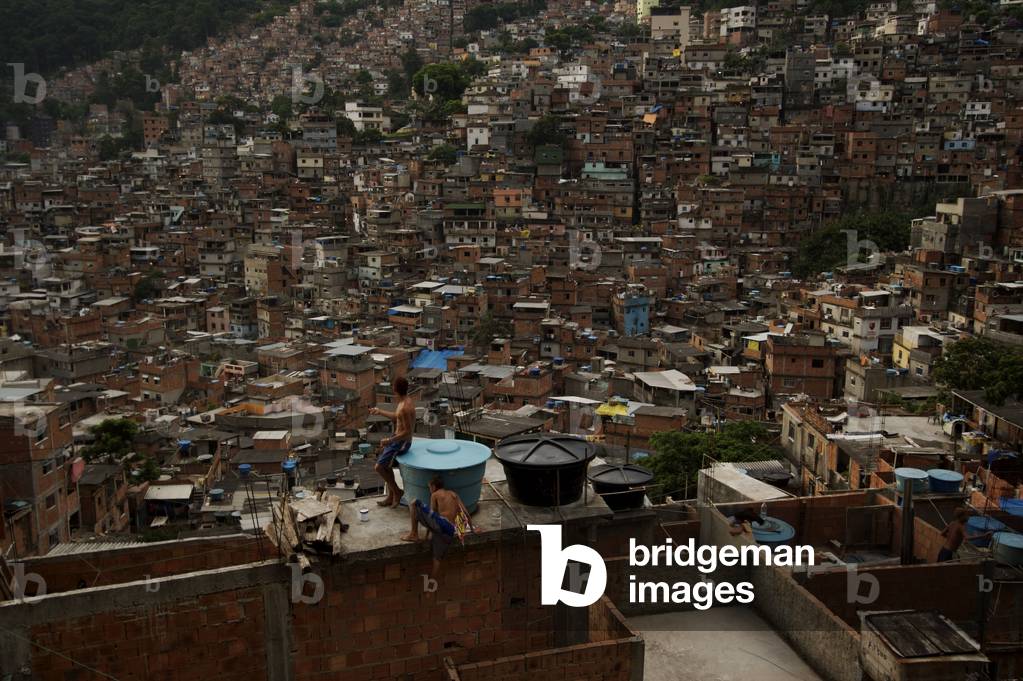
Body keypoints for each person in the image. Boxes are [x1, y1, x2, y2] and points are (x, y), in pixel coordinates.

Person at [401, 475, 471, 576]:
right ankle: (431, 586)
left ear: (433, 487)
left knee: (415, 503)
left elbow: (432, 514)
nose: (430, 490)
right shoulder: (453, 494)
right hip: (449, 531)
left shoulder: (435, 494)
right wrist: (472, 529)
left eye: (429, 487)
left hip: (441, 524)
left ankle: (413, 534)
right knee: (436, 558)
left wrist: (425, 535)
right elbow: (466, 513)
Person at [368, 376, 414, 508]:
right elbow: (396, 417)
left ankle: (397, 491)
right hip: (397, 438)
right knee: (385, 466)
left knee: (379, 467)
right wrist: (379, 411)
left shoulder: (405, 407)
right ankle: (391, 495)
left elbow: (407, 431)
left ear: (395, 389)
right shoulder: (402, 401)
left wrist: (389, 440)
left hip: (402, 442)